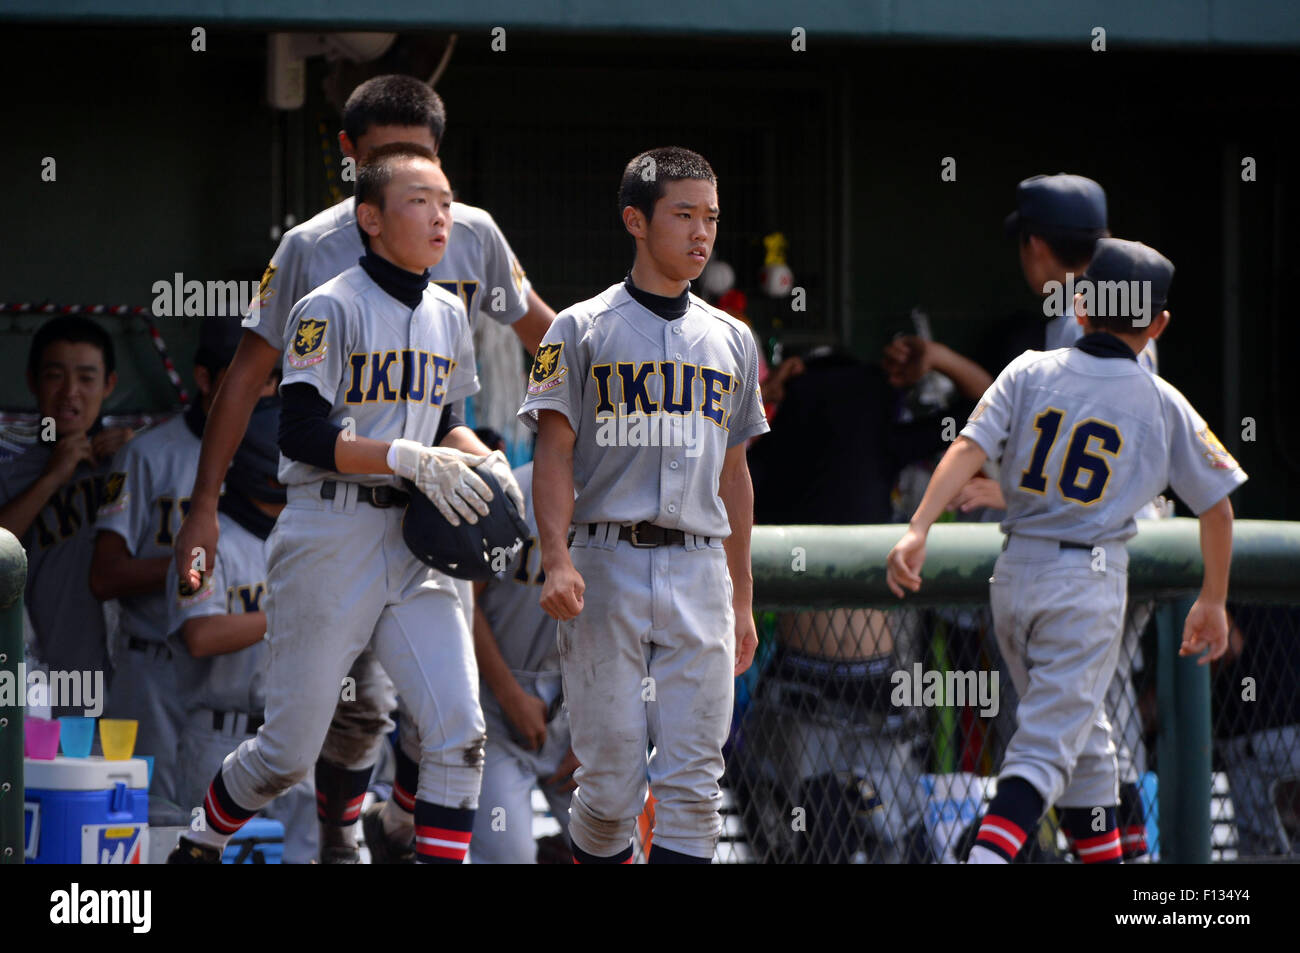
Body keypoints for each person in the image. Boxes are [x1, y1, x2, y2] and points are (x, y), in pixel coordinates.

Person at [171, 74, 556, 862]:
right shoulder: (321, 276)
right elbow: (292, 419)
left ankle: (380, 838)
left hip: (421, 532)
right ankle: (202, 843)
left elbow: (463, 406)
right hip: (332, 520)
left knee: (457, 728)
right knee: (291, 747)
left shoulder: (455, 285)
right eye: (406, 181)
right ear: (363, 192)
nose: (437, 208)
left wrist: (491, 462)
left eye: (436, 180)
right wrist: (202, 506)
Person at [886, 239, 1247, 864]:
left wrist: (919, 526)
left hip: (1015, 576)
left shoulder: (1027, 369)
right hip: (1086, 583)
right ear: (1158, 324)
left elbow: (967, 448)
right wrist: (1212, 599)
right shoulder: (1160, 400)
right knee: (1047, 749)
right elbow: (1217, 506)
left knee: (1089, 747)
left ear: (1080, 307)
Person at [519, 146, 768, 863]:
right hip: (605, 560)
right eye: (683, 214)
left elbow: (735, 474)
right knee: (609, 790)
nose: (701, 233)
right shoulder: (577, 326)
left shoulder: (733, 338)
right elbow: (554, 453)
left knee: (694, 786)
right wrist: (556, 556)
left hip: (698, 567)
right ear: (636, 219)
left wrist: (743, 597)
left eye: (712, 218)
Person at [91, 317, 274, 806]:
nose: (256, 393)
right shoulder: (148, 454)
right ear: (205, 379)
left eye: (266, 381)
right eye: (242, 380)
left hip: (234, 675)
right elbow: (104, 575)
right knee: (148, 813)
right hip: (152, 664)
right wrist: (191, 574)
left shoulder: (275, 450)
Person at [164, 401, 318, 863]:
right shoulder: (202, 539)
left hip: (298, 738)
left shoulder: (315, 538)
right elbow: (200, 635)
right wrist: (287, 615)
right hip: (219, 738)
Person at [0, 317, 133, 699]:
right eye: (55, 376)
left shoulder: (133, 459)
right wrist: (52, 476)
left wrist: (139, 454)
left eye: (87, 378)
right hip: (45, 679)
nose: (70, 392)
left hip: (132, 674)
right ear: (33, 382)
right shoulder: (13, 470)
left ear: (109, 384)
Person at [465, 460, 577, 863]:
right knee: (506, 855)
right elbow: (464, 604)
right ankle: (395, 823)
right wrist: (510, 696)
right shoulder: (512, 490)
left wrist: (605, 734)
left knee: (629, 846)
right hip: (494, 708)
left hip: (583, 714)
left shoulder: (627, 499)